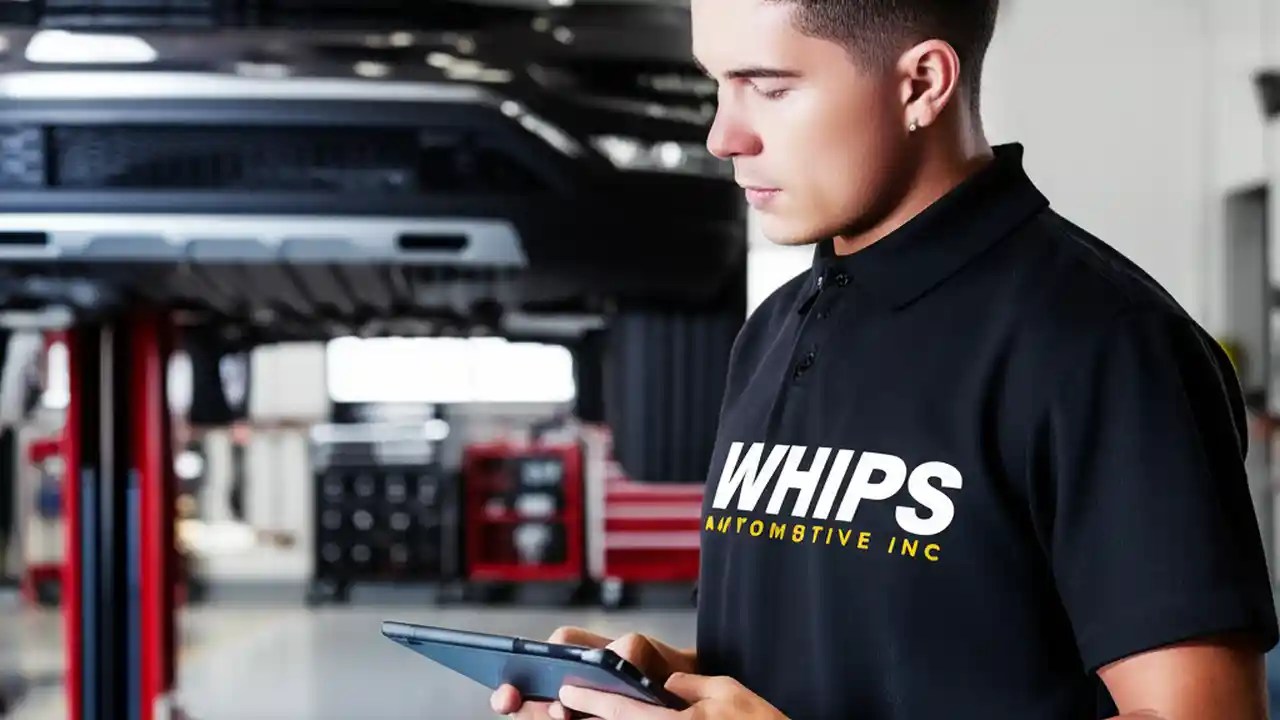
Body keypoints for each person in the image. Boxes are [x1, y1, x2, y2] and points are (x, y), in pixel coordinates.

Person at [493, 0, 1280, 717]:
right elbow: (862, 670)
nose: (722, 134)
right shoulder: (773, 330)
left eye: (768, 87)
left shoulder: (1107, 345)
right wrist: (669, 685)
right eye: (718, 84)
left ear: (921, 85)